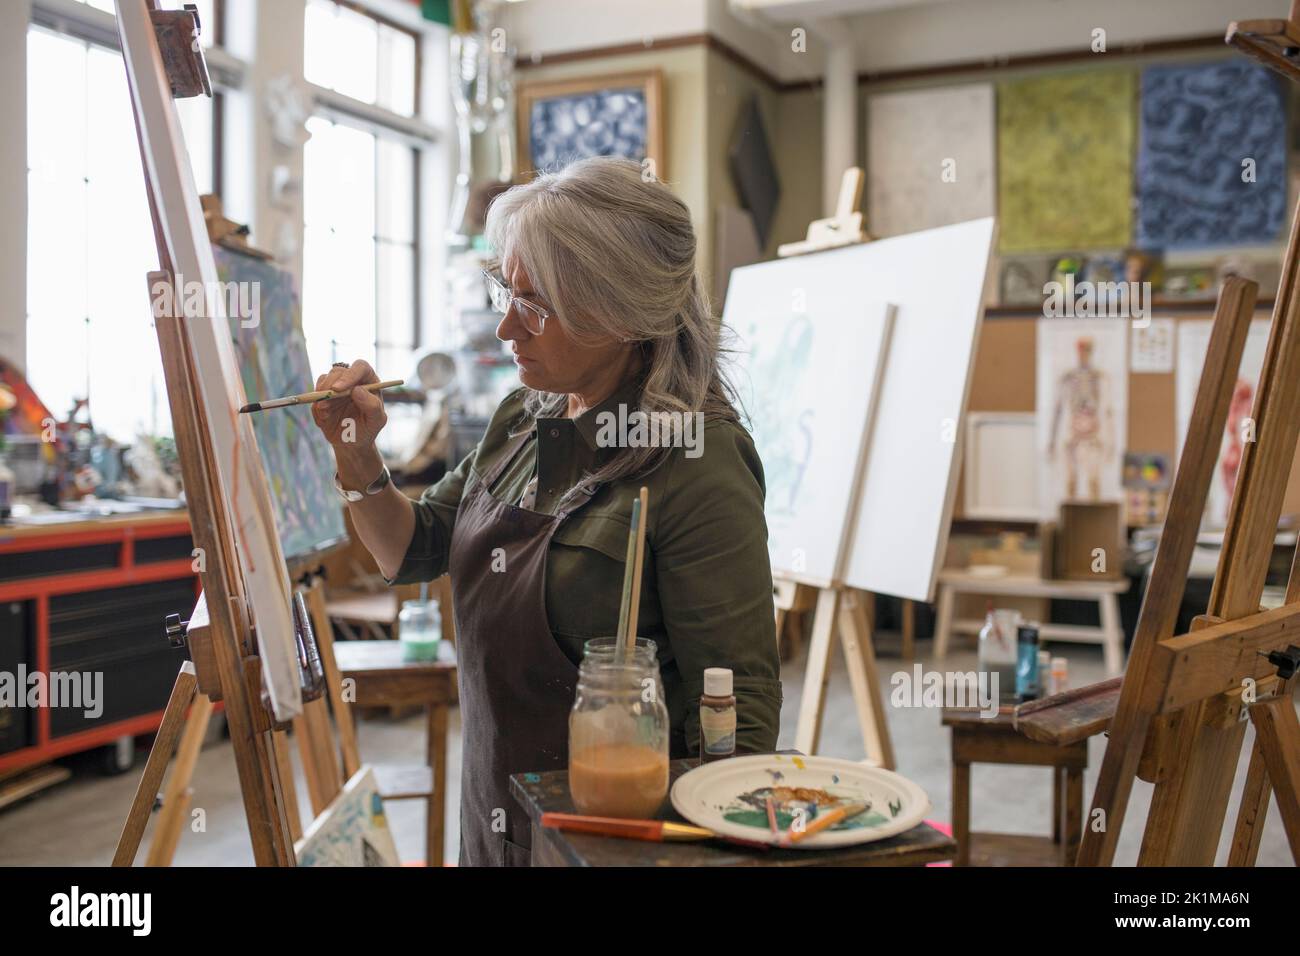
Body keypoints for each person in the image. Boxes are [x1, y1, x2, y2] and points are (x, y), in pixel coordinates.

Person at [311, 157, 782, 866]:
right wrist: (356, 456)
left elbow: (736, 712)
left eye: (535, 304)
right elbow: (410, 550)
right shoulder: (520, 420)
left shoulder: (697, 457)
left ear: (621, 309)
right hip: (494, 812)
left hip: (617, 840)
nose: (506, 326)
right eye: (507, 290)